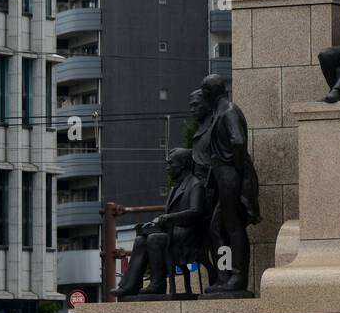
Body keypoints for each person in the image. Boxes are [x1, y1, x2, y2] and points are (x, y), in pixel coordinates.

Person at [111, 149, 208, 298]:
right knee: (140, 240)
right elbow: (168, 214)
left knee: (154, 239)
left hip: (189, 235)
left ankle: (158, 284)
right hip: (173, 232)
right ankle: (130, 284)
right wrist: (158, 220)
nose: (167, 167)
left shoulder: (195, 185)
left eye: (171, 164)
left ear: (182, 165)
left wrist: (169, 217)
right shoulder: (175, 187)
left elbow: (197, 212)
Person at [199, 74, 260, 297]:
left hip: (230, 175)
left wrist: (235, 168)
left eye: (204, 92)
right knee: (217, 228)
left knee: (234, 227)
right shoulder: (220, 112)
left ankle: (238, 277)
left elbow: (238, 141)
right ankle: (224, 276)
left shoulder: (229, 111)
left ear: (210, 93)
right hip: (223, 176)